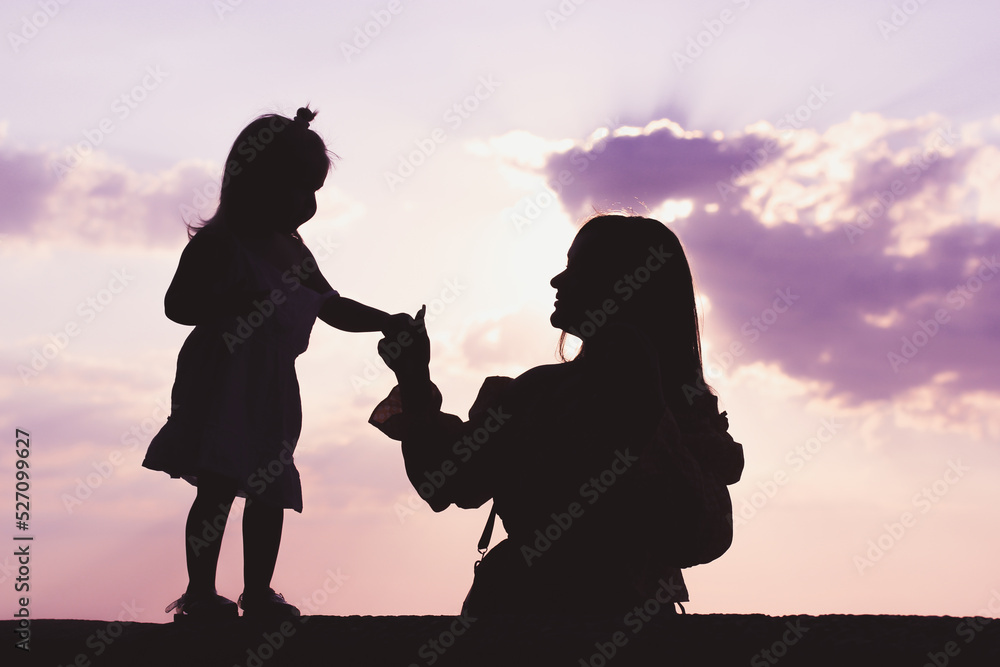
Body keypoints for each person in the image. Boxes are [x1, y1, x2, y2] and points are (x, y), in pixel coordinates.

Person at [370, 214, 744, 616]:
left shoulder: (536, 394)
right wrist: (412, 376)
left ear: (626, 285)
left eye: (578, 268)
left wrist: (413, 379)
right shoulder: (683, 414)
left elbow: (446, 482)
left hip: (522, 614)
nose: (557, 281)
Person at [144, 107, 407, 621]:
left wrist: (385, 320)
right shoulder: (221, 245)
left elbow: (330, 305)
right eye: (298, 189)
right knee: (218, 483)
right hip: (221, 378)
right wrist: (230, 304)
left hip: (271, 382)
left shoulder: (294, 251)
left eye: (312, 192)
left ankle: (258, 591)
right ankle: (200, 593)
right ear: (257, 184)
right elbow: (178, 306)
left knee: (268, 482)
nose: (307, 205)